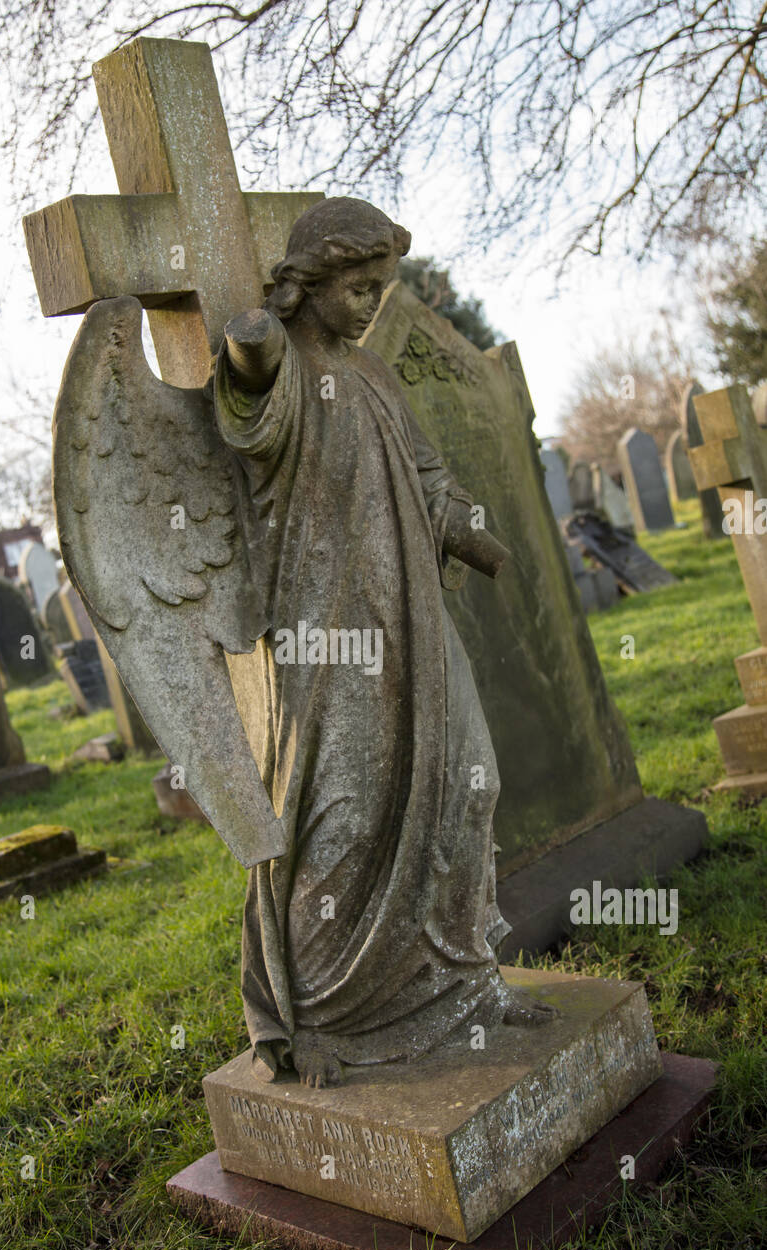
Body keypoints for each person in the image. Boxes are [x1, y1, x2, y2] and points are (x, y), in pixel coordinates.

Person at [214, 197, 554, 1088]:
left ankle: (464, 984)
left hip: (413, 616)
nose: (370, 303)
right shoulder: (287, 370)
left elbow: (426, 475)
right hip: (329, 634)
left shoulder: (375, 377)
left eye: (381, 287)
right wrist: (251, 346)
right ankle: (322, 1017)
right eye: (357, 287)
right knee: (347, 814)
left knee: (466, 783)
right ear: (310, 281)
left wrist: (473, 535)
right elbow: (249, 406)